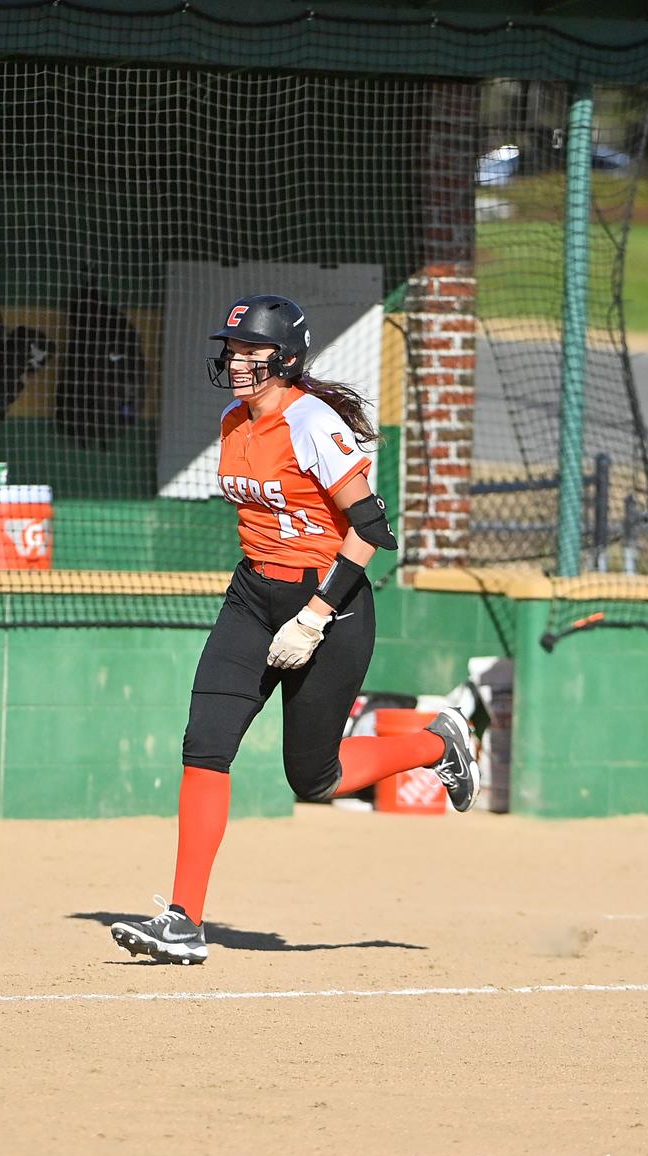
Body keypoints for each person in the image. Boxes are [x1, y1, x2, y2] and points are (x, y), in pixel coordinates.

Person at [110, 295, 478, 965]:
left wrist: (314, 615)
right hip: (253, 595)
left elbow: (372, 529)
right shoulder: (232, 422)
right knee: (205, 743)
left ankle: (436, 743)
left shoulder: (312, 422)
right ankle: (184, 919)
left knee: (314, 777)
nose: (237, 361)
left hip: (327, 602)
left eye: (252, 351)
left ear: (286, 360)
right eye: (234, 349)